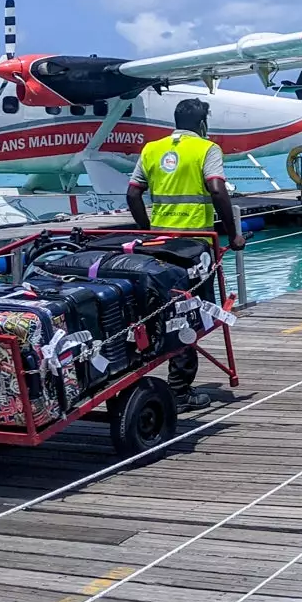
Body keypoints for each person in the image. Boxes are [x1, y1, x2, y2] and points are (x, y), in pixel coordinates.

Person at [127, 98, 245, 410]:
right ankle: (179, 389)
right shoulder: (207, 149)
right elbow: (217, 189)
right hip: (194, 246)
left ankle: (158, 375)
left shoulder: (152, 149)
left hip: (159, 245)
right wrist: (232, 233)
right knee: (192, 314)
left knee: (163, 310)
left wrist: (148, 228)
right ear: (202, 123)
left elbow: (133, 193)